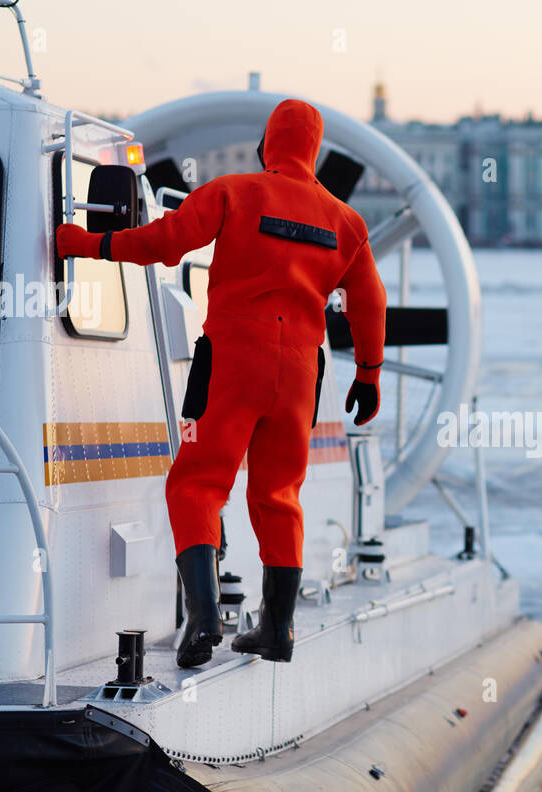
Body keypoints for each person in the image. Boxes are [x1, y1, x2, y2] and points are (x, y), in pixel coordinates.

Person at [57, 99, 386, 668]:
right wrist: (369, 373)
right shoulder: (346, 222)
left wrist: (86, 244)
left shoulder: (234, 191)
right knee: (280, 496)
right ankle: (277, 629)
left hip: (233, 359)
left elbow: (162, 244)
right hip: (302, 372)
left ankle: (204, 620)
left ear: (268, 145)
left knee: (198, 485)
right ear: (313, 149)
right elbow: (369, 300)